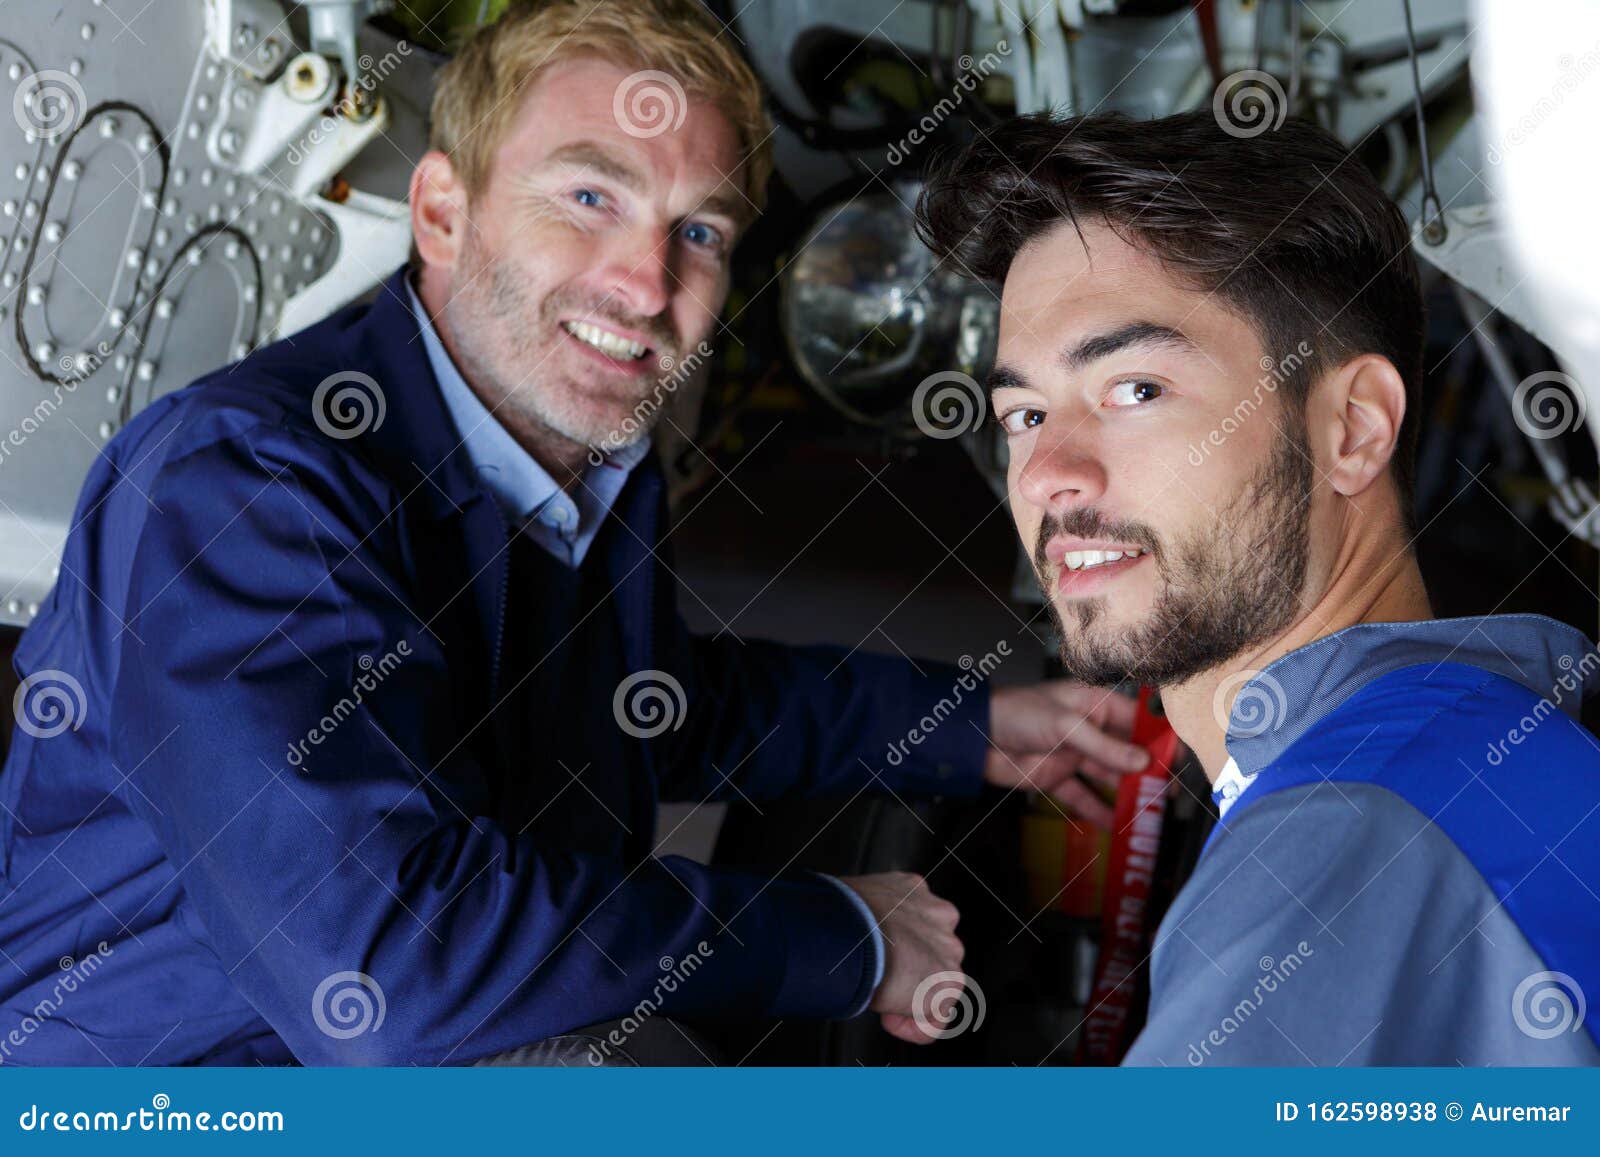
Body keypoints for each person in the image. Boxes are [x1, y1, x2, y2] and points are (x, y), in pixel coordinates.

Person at [0, 0, 1148, 1066]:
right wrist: (840, 933)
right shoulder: (242, 486)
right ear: (444, 212)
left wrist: (963, 722)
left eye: (697, 231)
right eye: (589, 198)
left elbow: (644, 705)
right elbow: (389, 960)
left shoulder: (557, 463)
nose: (646, 284)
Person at [916, 109, 1600, 1065]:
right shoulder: (1488, 748)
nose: (1043, 475)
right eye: (1024, 412)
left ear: (1354, 427)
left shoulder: (1340, 835)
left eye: (1135, 390)